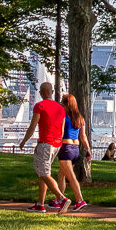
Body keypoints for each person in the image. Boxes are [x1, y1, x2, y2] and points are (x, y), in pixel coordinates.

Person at [28, 83, 69, 211]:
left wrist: (24, 141)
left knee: (44, 173)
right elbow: (62, 131)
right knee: (43, 173)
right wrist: (58, 142)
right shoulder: (61, 108)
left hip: (45, 144)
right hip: (56, 144)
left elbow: (33, 126)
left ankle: (61, 198)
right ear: (52, 91)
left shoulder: (39, 106)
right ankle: (40, 204)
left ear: (40, 93)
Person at [52, 92, 89, 212]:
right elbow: (83, 137)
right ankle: (59, 200)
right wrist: (88, 150)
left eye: (63, 103)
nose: (61, 105)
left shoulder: (63, 116)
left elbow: (60, 132)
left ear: (67, 104)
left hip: (66, 148)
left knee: (71, 176)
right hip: (75, 150)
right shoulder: (80, 118)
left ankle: (80, 200)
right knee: (61, 175)